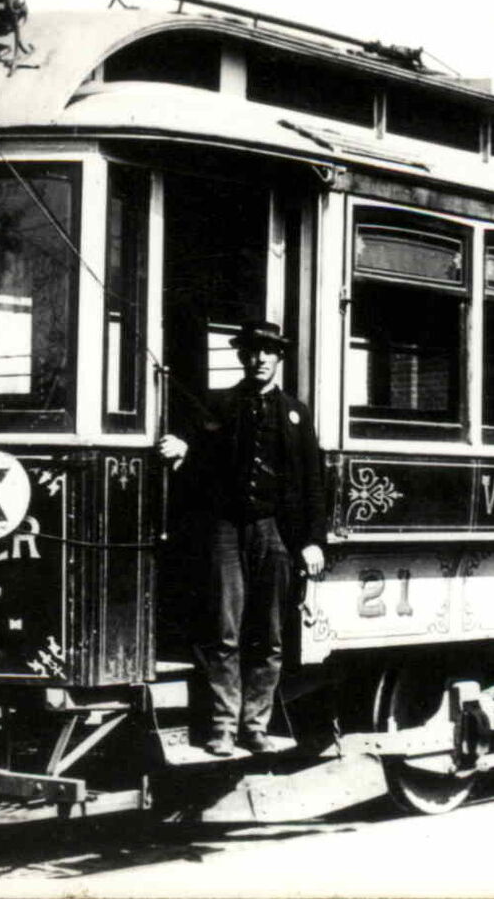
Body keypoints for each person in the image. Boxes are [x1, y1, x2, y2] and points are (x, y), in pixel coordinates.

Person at [158, 321, 327, 755]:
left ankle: (255, 727)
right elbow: (193, 444)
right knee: (224, 629)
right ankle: (221, 729)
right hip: (226, 530)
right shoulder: (219, 405)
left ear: (278, 358)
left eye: (268, 352)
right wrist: (180, 445)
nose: (260, 359)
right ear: (242, 357)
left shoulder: (296, 412)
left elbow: (312, 481)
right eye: (252, 352)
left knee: (269, 635)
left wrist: (312, 541)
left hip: (276, 532)